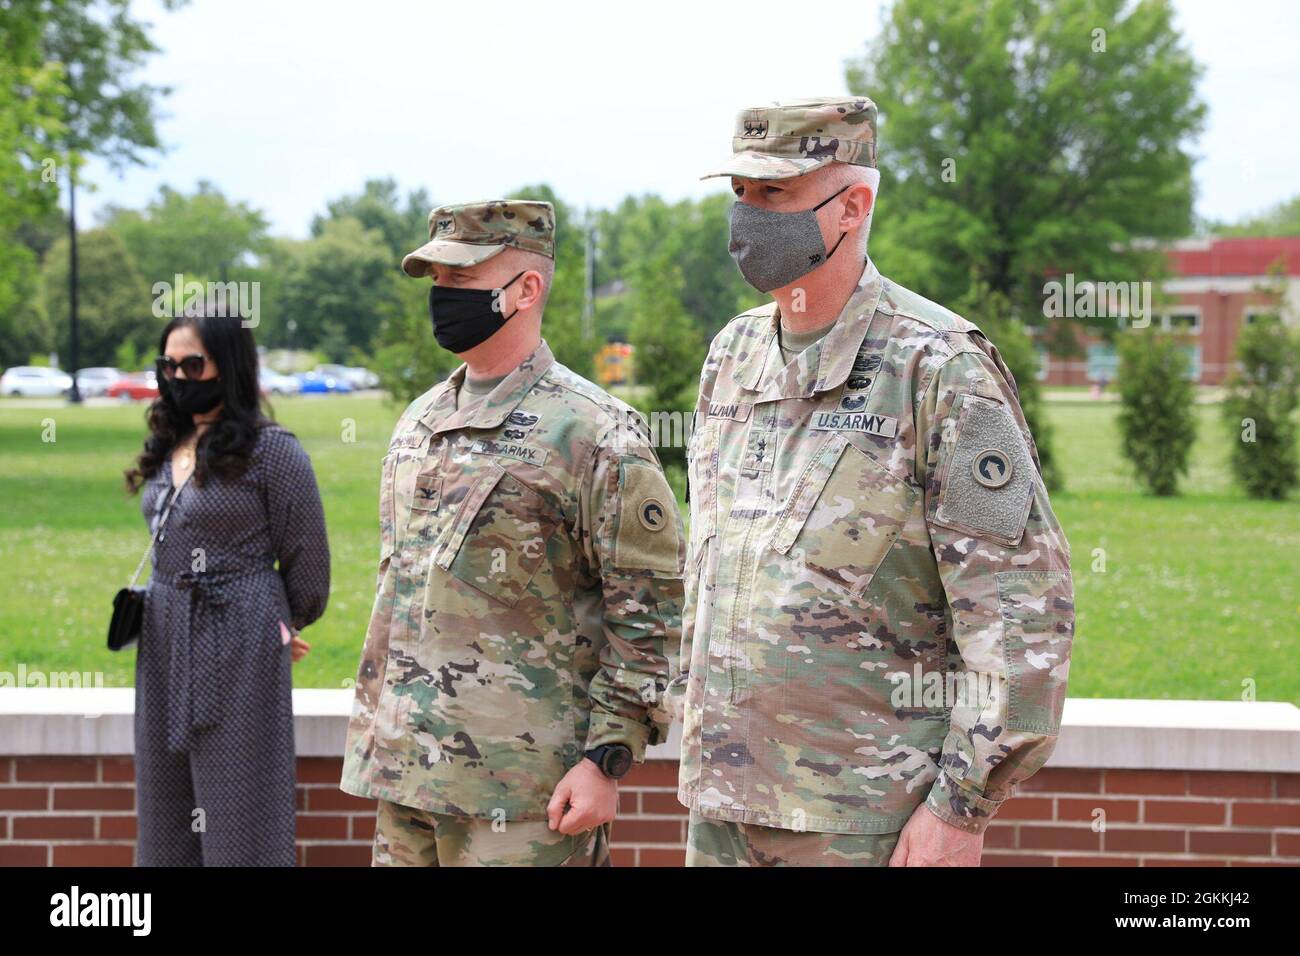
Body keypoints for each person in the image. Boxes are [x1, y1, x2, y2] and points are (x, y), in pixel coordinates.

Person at [671, 97, 1075, 866]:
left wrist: (963, 806)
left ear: (851, 205)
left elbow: (1022, 610)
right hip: (724, 802)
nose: (748, 220)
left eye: (777, 195)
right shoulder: (733, 355)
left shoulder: (940, 365)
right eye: (742, 194)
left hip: (864, 821)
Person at [340, 200, 684, 866]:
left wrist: (607, 758)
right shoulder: (422, 419)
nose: (443, 298)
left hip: (527, 792)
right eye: (436, 281)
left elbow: (650, 612)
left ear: (526, 289)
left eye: (461, 280)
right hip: (408, 777)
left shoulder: (593, 431)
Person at [124, 311, 330, 866]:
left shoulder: (273, 452)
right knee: (166, 809)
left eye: (194, 364)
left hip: (240, 645)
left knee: (241, 806)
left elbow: (309, 567)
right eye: (168, 365)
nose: (178, 376)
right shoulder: (172, 441)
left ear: (229, 366)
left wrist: (276, 624)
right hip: (165, 636)